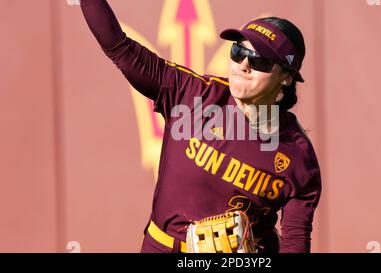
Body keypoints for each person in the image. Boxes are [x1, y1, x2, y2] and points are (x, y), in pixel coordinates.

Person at [80, 0, 322, 253]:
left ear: (286, 77)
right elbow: (120, 48)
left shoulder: (296, 155)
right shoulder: (193, 94)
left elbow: (295, 240)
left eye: (259, 61)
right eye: (238, 52)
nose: (244, 65)